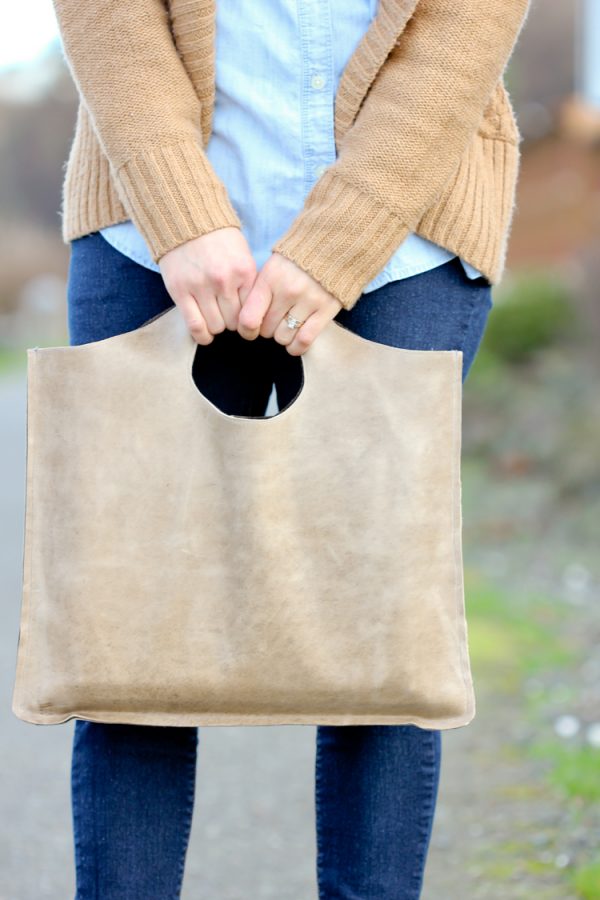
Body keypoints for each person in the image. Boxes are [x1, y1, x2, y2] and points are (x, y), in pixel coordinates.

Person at [52, 0, 531, 896]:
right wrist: (180, 211)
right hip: (150, 231)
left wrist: (341, 238)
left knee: (382, 639)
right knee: (135, 631)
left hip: (406, 236)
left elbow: (465, 27)